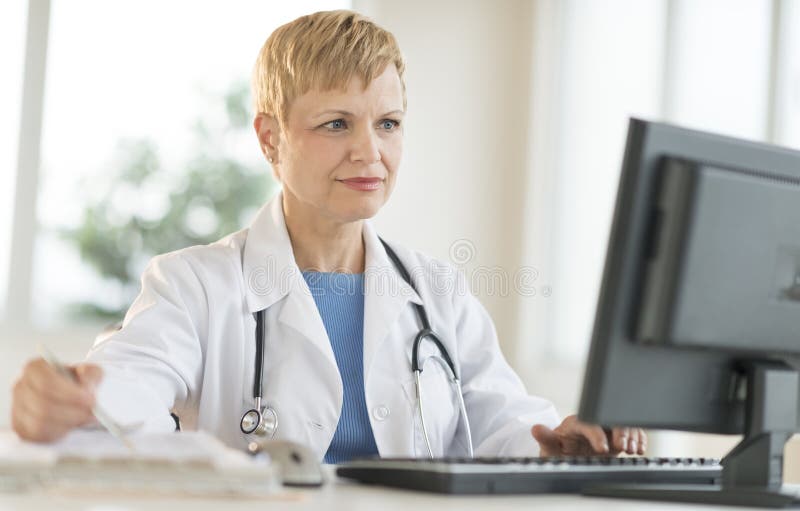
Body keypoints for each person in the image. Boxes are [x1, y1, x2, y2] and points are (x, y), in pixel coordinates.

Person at [11, 10, 646, 461]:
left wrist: (557, 439)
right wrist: (79, 399)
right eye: (337, 123)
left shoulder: (438, 293)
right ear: (270, 138)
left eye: (389, 123)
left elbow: (502, 420)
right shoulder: (194, 285)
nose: (370, 152)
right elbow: (131, 385)